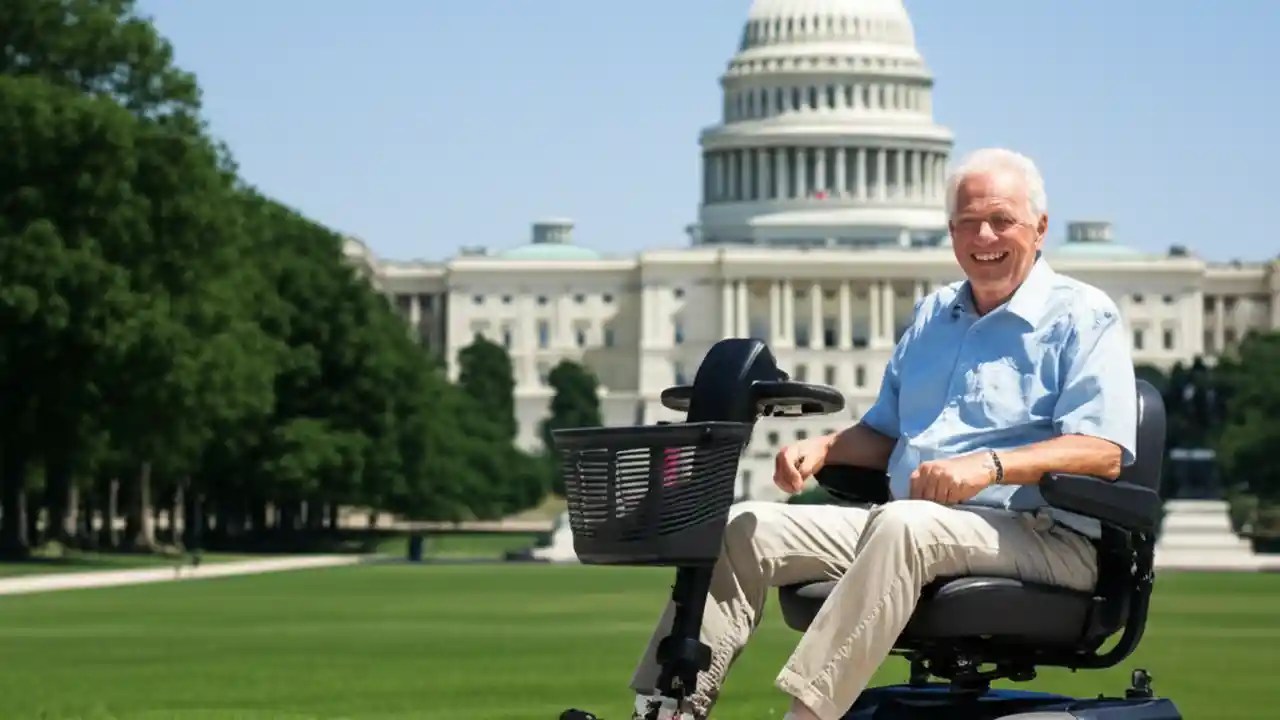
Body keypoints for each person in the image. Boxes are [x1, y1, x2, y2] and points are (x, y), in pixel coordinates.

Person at [627, 147, 1138, 720]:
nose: (984, 235)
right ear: (950, 232)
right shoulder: (932, 317)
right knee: (745, 526)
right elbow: (885, 434)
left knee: (905, 523)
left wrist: (989, 466)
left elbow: (1105, 451)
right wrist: (825, 448)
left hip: (1041, 536)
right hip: (918, 525)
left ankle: (809, 716)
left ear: (1040, 228)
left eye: (1002, 220)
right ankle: (666, 709)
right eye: (968, 222)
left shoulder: (1083, 315)